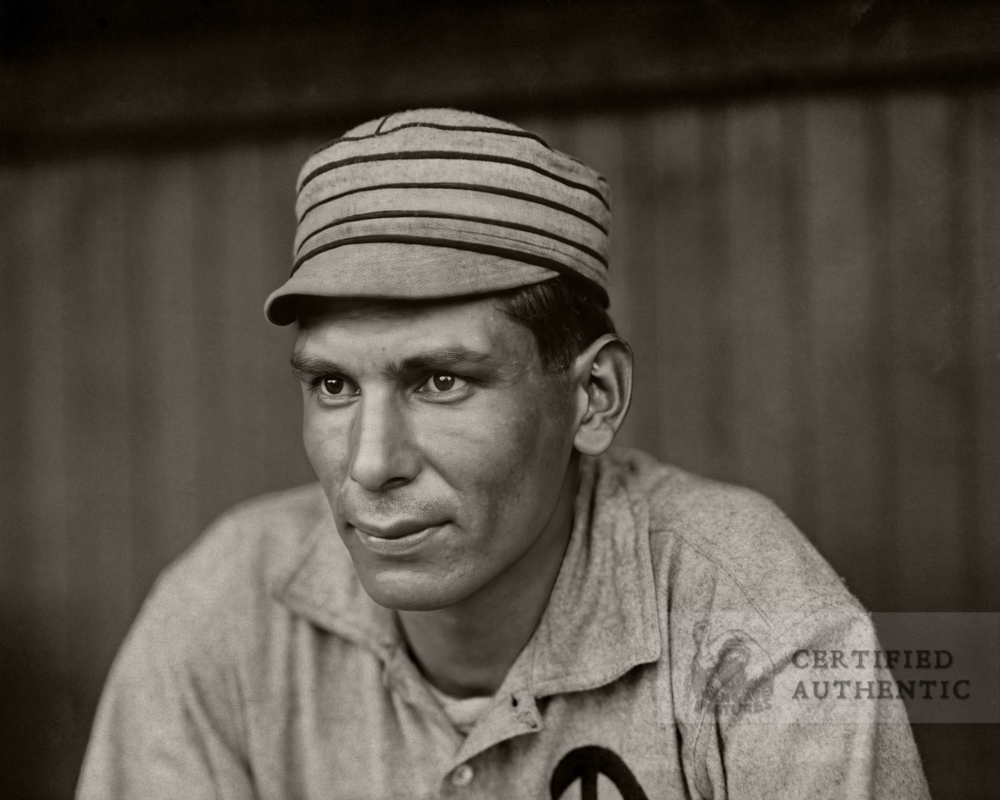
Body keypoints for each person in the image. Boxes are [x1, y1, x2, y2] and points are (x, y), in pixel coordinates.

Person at [77, 108, 930, 799]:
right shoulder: (227, 606)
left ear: (594, 399)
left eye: (441, 381)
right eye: (333, 387)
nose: (371, 464)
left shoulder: (759, 617)